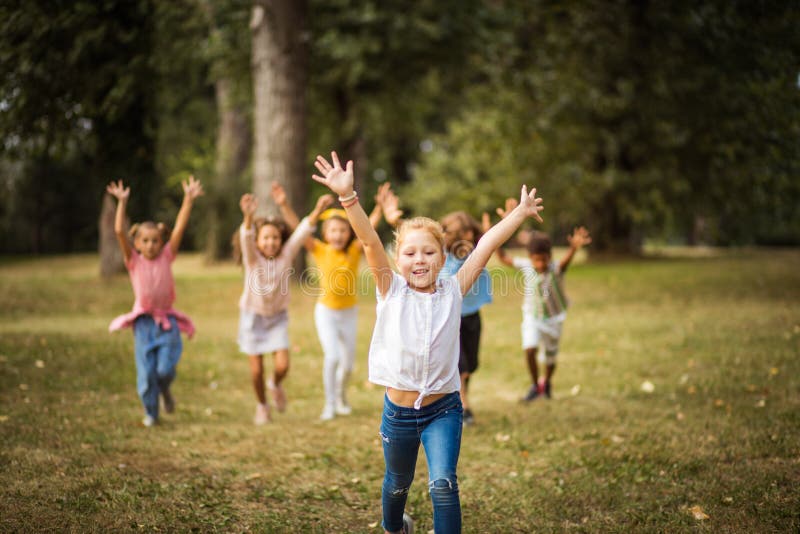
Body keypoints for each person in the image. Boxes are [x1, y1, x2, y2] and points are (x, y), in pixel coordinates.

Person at [312, 151, 544, 534]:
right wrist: (348, 198)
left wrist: (518, 214)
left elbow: (486, 244)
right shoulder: (392, 290)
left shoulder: (453, 290)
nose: (419, 260)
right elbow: (369, 241)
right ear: (398, 259)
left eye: (428, 252)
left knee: (443, 485)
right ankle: (393, 527)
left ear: (442, 257)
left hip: (444, 410)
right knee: (397, 483)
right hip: (399, 413)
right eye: (409, 253)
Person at [275, 181, 387, 421]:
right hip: (326, 312)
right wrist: (284, 205)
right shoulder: (318, 249)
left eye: (343, 231)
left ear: (349, 233)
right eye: (333, 231)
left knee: (347, 365)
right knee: (332, 357)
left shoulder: (355, 250)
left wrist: (378, 207)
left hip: (349, 313)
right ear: (326, 233)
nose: (338, 235)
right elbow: (299, 229)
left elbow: (370, 229)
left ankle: (341, 397)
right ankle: (329, 403)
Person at [381, 194, 492, 427]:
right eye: (457, 233)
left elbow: (487, 245)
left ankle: (461, 395)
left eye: (468, 232)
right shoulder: (441, 256)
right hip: (448, 318)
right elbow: (419, 239)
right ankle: (464, 405)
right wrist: (394, 222)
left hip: (471, 316)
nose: (465, 237)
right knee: (459, 364)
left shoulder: (472, 256)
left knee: (470, 364)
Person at [106, 177, 204, 427]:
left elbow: (180, 228)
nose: (150, 245)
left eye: (155, 241)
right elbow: (119, 231)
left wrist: (188, 200)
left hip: (167, 322)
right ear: (137, 243)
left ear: (162, 242)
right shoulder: (134, 262)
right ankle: (151, 412)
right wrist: (122, 202)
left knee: (164, 371)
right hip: (144, 325)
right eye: (145, 241)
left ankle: (166, 390)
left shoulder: (167, 256)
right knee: (147, 374)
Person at [234, 187, 332, 425]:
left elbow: (300, 233)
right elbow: (246, 237)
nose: (270, 242)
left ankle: (275, 385)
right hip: (253, 318)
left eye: (275, 238)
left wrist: (318, 210)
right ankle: (262, 405)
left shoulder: (286, 255)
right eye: (265, 238)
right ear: (258, 241)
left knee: (282, 365)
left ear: (280, 240)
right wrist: (248, 217)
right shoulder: (252, 258)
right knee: (256, 371)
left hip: (277, 317)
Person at [495, 200, 591, 400]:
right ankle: (534, 385)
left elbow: (565, 262)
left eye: (543, 259)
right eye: (536, 259)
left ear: (550, 256)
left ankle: (546, 383)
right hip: (532, 316)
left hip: (554, 318)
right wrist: (501, 229)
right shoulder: (526, 266)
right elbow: (503, 257)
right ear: (529, 257)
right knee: (529, 348)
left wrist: (573, 248)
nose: (539, 263)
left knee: (550, 356)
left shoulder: (556, 269)